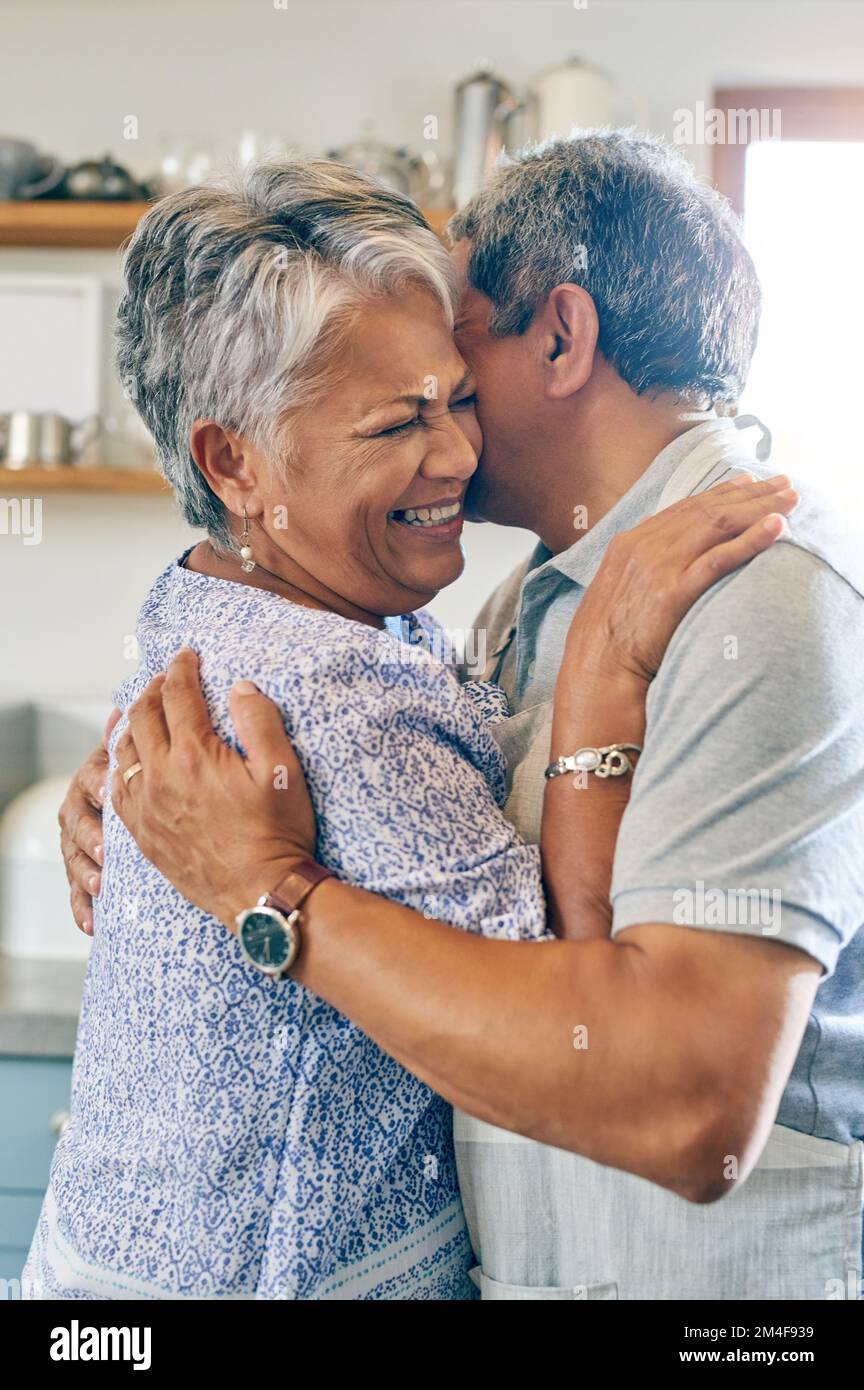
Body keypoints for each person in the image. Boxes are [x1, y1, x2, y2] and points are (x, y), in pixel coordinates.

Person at [62, 133, 864, 1301]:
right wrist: (131, 789)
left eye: (458, 363)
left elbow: (683, 1100)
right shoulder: (520, 602)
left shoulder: (767, 593)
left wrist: (271, 895)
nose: (451, 426)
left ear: (559, 335)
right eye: (401, 415)